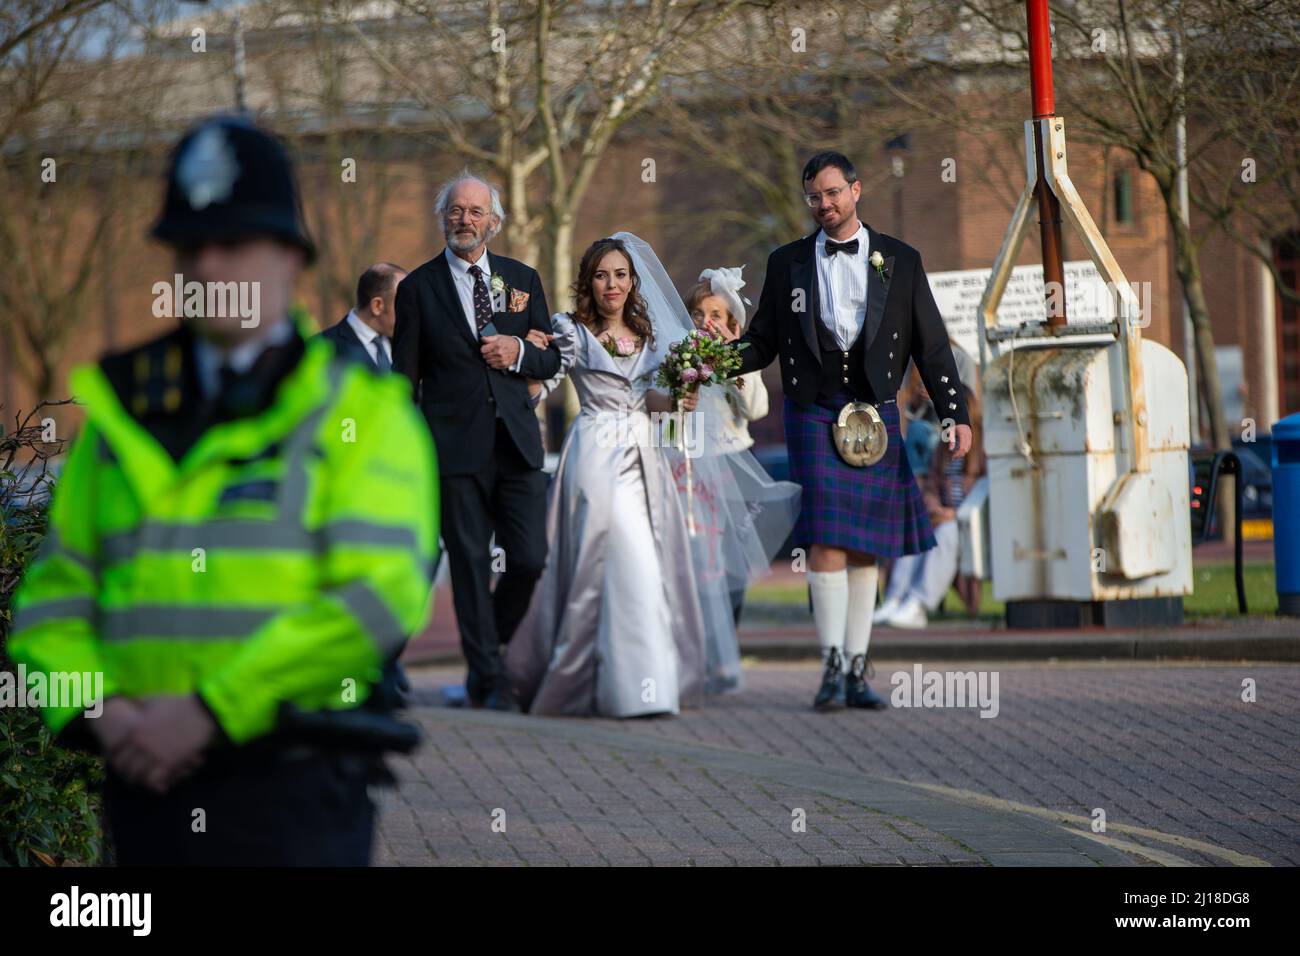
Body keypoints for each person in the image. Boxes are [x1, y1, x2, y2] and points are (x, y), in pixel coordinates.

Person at [7, 115, 438, 865]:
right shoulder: (119, 413)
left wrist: (207, 713)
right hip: (144, 790)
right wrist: (102, 711)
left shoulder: (361, 413)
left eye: (234, 244)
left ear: (291, 256)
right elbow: (54, 600)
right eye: (191, 248)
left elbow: (375, 598)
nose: (209, 268)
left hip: (294, 795)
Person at [731, 150, 972, 711]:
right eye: (814, 196)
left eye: (833, 193)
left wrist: (953, 412)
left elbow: (930, 345)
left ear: (857, 191)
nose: (824, 205)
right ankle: (832, 666)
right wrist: (714, 360)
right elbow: (762, 342)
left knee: (866, 545)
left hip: (874, 409)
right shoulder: (787, 262)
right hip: (813, 409)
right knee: (823, 540)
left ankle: (859, 668)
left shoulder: (900, 260)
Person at [506, 233, 717, 717]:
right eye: (601, 275)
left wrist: (684, 398)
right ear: (588, 281)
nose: (611, 284)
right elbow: (544, 384)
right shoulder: (570, 330)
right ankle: (606, 685)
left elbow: (657, 404)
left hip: (645, 456)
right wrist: (523, 373)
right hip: (596, 455)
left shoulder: (651, 337)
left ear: (632, 281)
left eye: (620, 275)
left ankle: (644, 687)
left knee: (644, 558)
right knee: (611, 558)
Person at [392, 171, 562, 712]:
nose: (464, 220)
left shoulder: (522, 278)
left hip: (516, 443)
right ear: (444, 217)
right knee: (467, 565)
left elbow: (551, 358)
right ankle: (488, 681)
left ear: (493, 222)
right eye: (455, 210)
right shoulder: (418, 288)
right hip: (452, 451)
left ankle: (493, 649)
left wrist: (516, 350)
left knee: (530, 557)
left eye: (475, 211)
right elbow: (404, 380)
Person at [685, 266, 796, 638]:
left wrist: (735, 364)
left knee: (733, 556)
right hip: (691, 465)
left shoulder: (739, 361)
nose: (706, 323)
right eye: (699, 315)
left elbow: (755, 409)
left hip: (734, 464)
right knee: (696, 554)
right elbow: (668, 418)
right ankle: (697, 637)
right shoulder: (680, 357)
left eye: (715, 316)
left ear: (732, 323)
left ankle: (727, 635)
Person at [318, 262, 406, 370]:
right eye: (404, 305)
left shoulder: (406, 345)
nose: (409, 314)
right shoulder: (322, 350)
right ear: (377, 306)